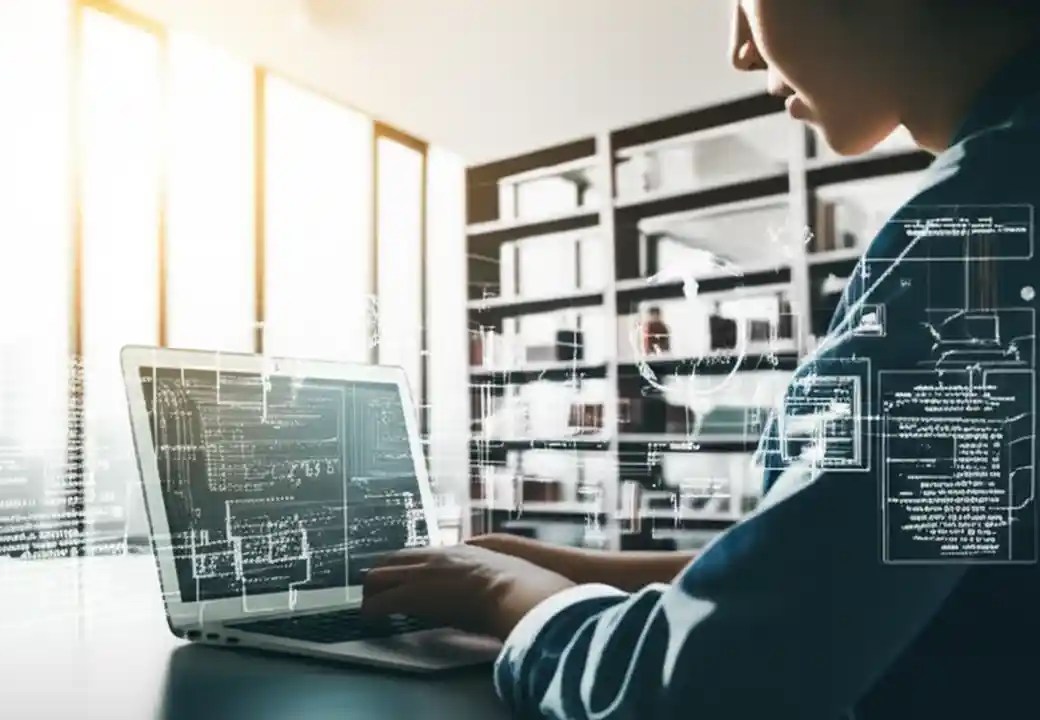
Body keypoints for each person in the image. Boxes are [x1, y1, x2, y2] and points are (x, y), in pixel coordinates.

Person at [362, 1, 1040, 717]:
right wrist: (570, 569)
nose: (741, 51)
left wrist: (498, 594)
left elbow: (720, 687)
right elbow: (859, 577)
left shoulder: (982, 231)